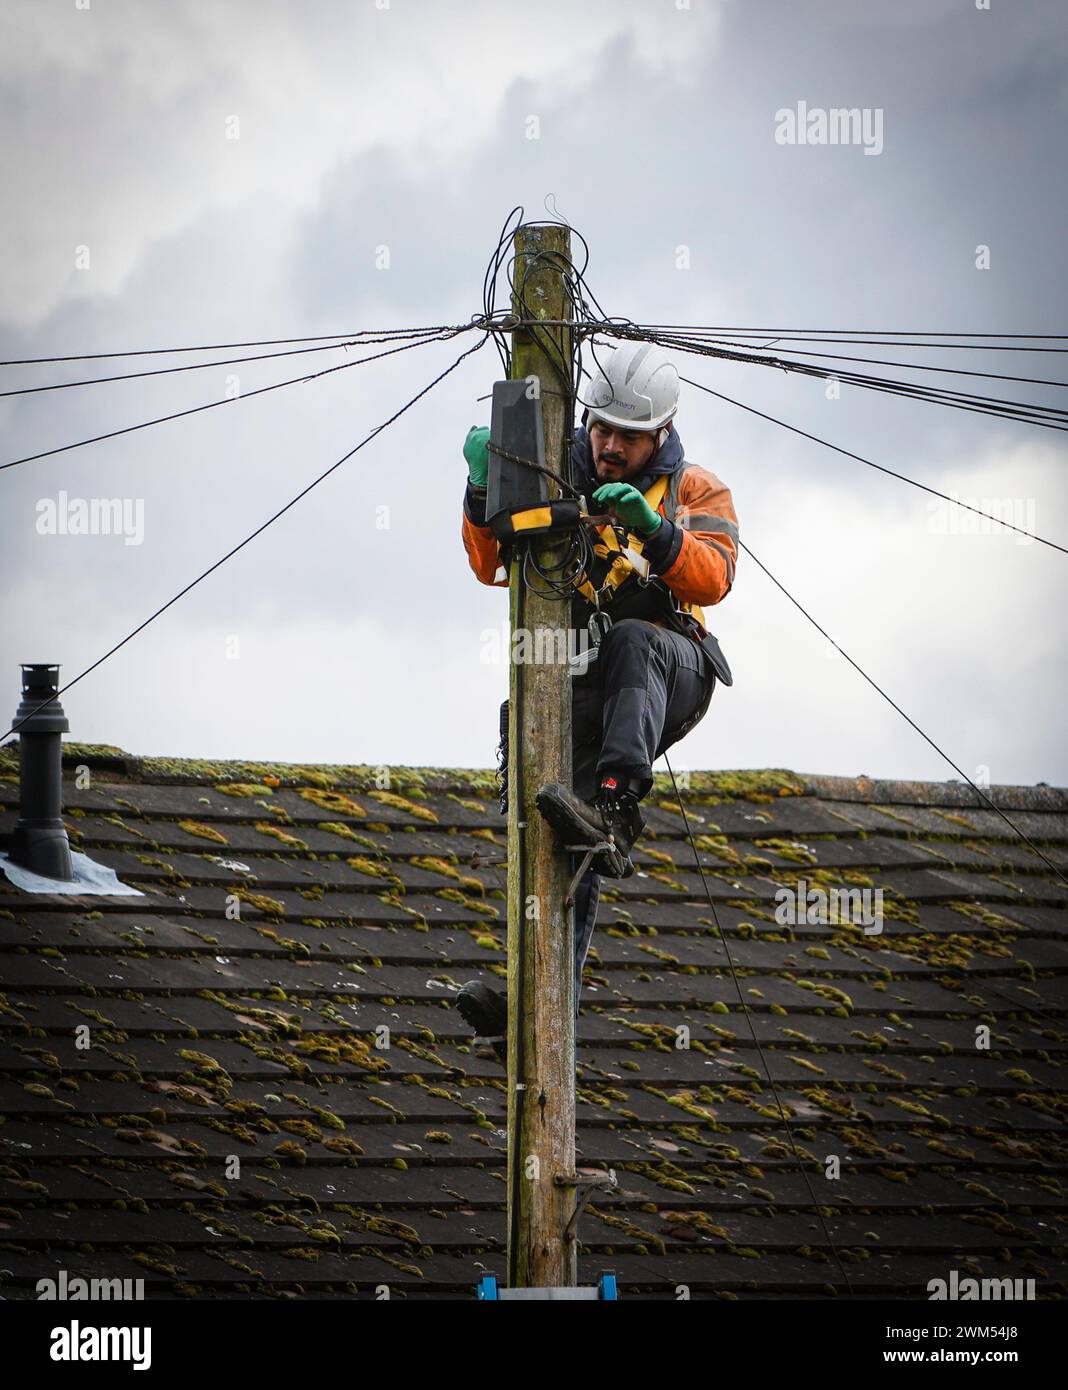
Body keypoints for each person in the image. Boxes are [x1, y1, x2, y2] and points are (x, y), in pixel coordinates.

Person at [454, 342, 739, 1065]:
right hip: (579, 684)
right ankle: (535, 1010)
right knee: (555, 832)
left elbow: (714, 578)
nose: (609, 447)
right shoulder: (553, 463)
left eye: (628, 436)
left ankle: (618, 806)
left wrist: (656, 532)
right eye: (601, 429)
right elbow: (492, 564)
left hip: (667, 669)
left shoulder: (694, 490)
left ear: (662, 435)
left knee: (635, 641)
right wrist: (483, 487)